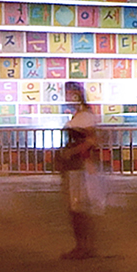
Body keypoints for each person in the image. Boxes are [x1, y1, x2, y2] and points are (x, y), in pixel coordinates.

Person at [54, 80, 103, 260]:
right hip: (75, 166)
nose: (66, 97)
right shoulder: (81, 115)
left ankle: (84, 247)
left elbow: (91, 141)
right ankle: (84, 246)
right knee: (77, 207)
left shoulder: (85, 117)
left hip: (79, 167)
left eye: (68, 93)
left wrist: (71, 152)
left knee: (78, 208)